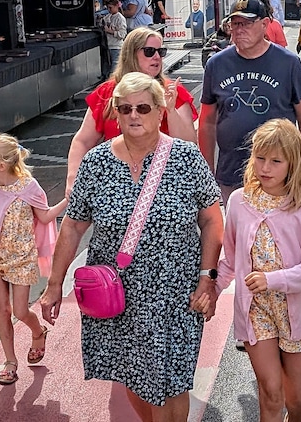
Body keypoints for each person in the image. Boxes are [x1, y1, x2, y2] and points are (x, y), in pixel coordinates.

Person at [39, 72, 223, 421]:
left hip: (175, 292)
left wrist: (207, 276)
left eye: (142, 107)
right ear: (116, 114)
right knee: (133, 377)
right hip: (118, 295)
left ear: (159, 111)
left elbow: (212, 220)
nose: (134, 115)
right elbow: (74, 225)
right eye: (125, 109)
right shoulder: (96, 163)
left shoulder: (186, 158)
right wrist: (52, 286)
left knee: (172, 381)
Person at [212, 119, 301, 422]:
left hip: (294, 312)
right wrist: (210, 291)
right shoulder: (239, 201)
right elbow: (231, 257)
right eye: (259, 158)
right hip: (255, 309)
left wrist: (273, 279)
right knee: (271, 391)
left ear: (293, 163)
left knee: (298, 399)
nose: (265, 167)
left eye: (276, 161)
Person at [199, 0, 301, 202]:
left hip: (281, 176)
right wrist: (206, 169)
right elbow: (207, 121)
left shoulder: (288, 63)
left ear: (264, 25)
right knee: (237, 233)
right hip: (232, 174)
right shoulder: (217, 65)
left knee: (281, 233)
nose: (239, 29)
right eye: (235, 24)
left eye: (246, 23)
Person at [0, 134, 57, 387]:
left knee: (20, 310)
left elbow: (46, 217)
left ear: (1, 166)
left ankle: (38, 332)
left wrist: (71, 200)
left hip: (23, 260)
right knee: (2, 310)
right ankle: (10, 362)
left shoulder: (29, 187)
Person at [64, 27, 198, 201]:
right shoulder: (107, 92)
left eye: (161, 51)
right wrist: (73, 178)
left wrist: (170, 110)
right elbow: (83, 140)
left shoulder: (172, 91)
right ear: (131, 54)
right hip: (115, 187)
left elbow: (189, 145)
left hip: (165, 186)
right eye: (149, 51)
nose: (157, 57)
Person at [101, 0, 127, 77]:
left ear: (116, 6)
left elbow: (122, 34)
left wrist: (111, 31)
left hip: (116, 47)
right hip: (108, 46)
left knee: (115, 68)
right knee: (106, 66)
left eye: (110, 8)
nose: (109, 10)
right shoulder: (108, 17)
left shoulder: (120, 19)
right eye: (108, 8)